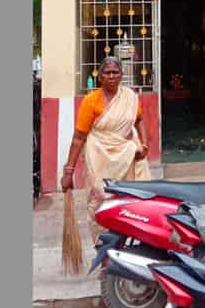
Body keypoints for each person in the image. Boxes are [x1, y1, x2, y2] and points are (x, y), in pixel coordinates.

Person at [61, 57, 151, 221]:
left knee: (128, 199)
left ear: (121, 75)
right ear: (100, 76)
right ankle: (103, 241)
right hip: (98, 156)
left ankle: (125, 238)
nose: (111, 76)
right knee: (101, 197)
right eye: (107, 73)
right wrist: (69, 171)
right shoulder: (90, 101)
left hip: (127, 156)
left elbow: (139, 120)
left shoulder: (129, 97)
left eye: (115, 72)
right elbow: (78, 138)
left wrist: (144, 144)